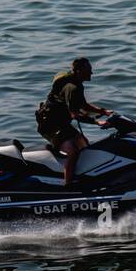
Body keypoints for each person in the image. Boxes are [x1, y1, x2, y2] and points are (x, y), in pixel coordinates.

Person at [36, 57, 114, 187]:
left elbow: (83, 105)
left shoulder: (77, 84)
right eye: (88, 70)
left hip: (61, 123)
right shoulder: (71, 88)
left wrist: (103, 111)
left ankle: (84, 175)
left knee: (84, 144)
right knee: (73, 151)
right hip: (50, 126)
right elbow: (75, 114)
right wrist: (96, 122)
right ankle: (68, 185)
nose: (91, 73)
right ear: (78, 71)